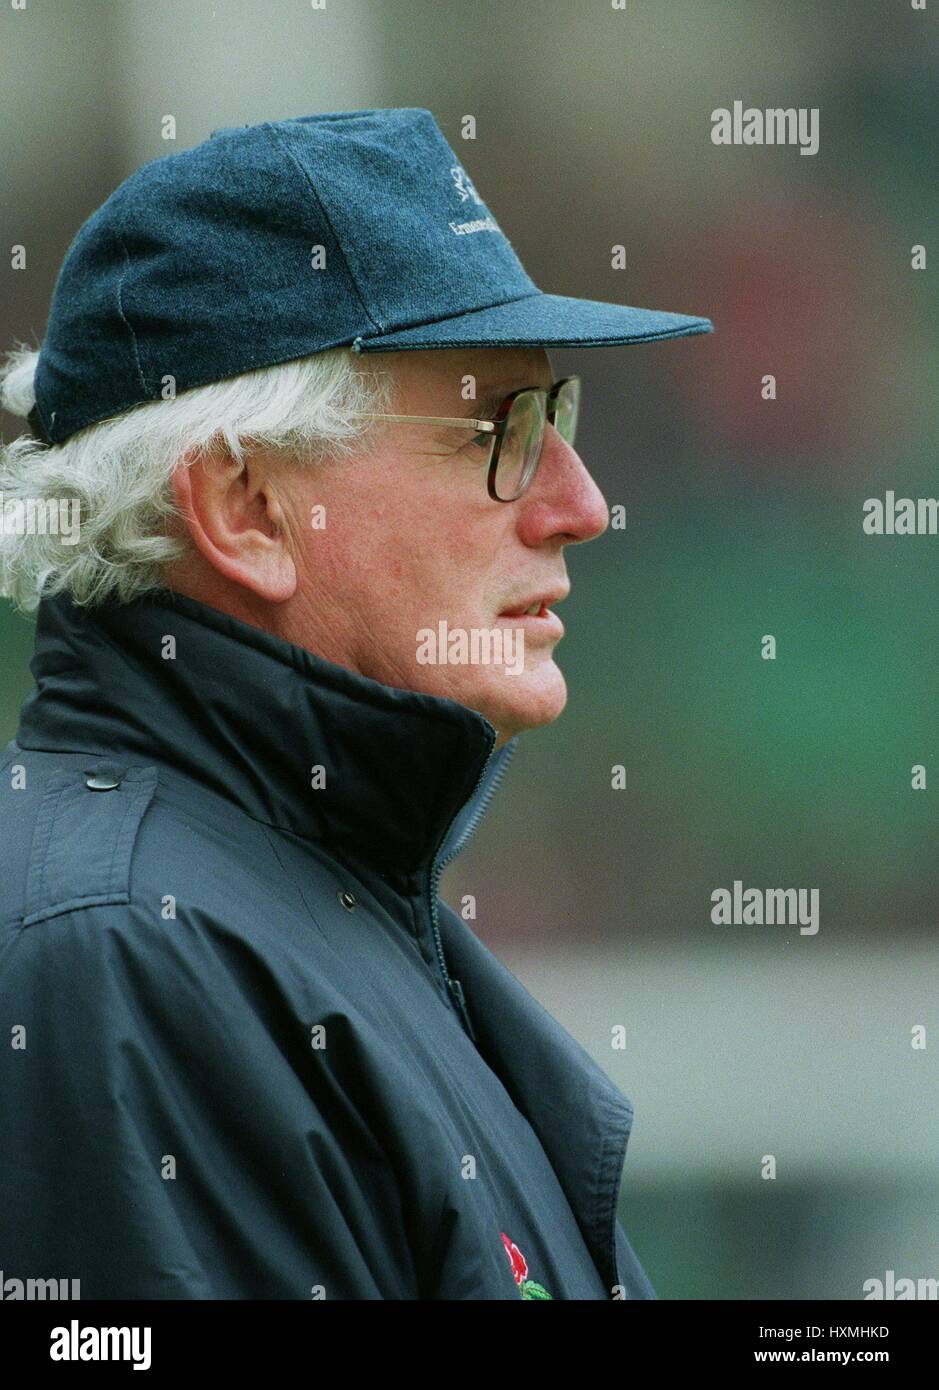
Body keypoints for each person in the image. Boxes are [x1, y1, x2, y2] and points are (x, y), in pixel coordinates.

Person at [0, 108, 712, 1299]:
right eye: (497, 428)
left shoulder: (281, 909)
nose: (580, 504)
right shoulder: (125, 953)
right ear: (245, 508)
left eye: (558, 417)